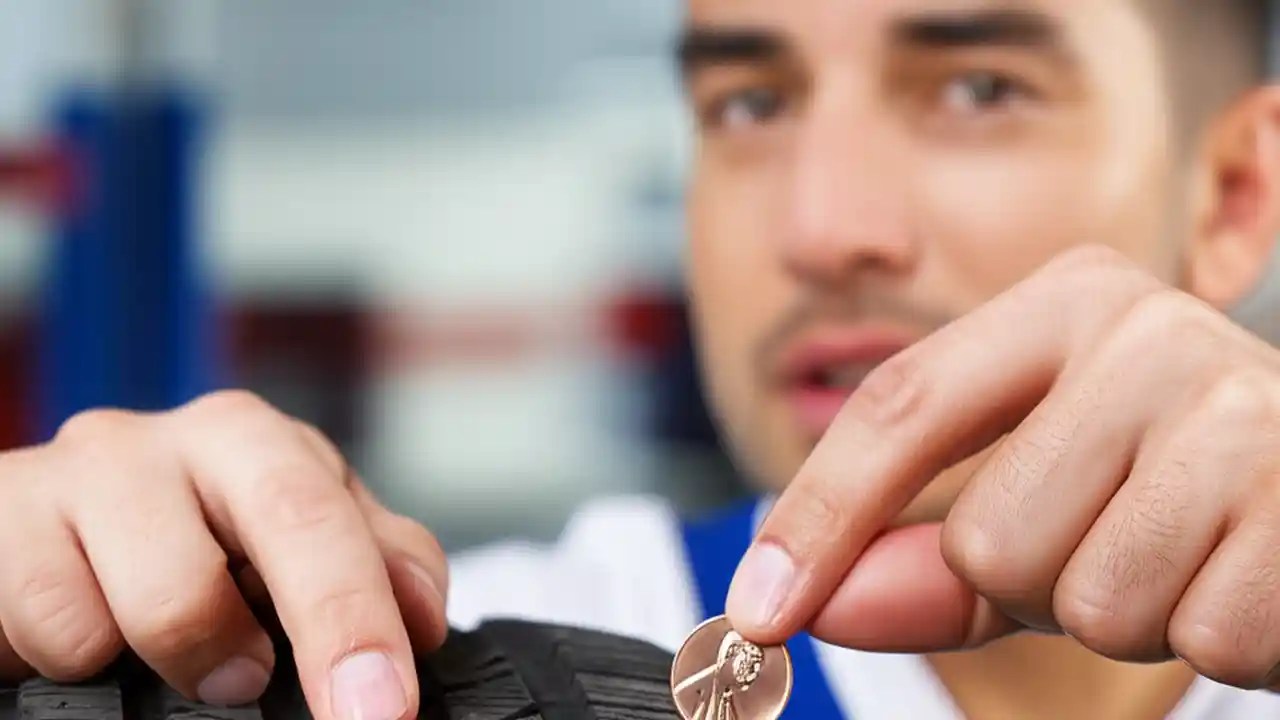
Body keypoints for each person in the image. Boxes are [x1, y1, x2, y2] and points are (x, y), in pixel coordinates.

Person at [2, 0, 1279, 718]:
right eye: (750, 104)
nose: (822, 229)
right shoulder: (439, 657)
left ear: (1231, 195)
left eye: (979, 88)